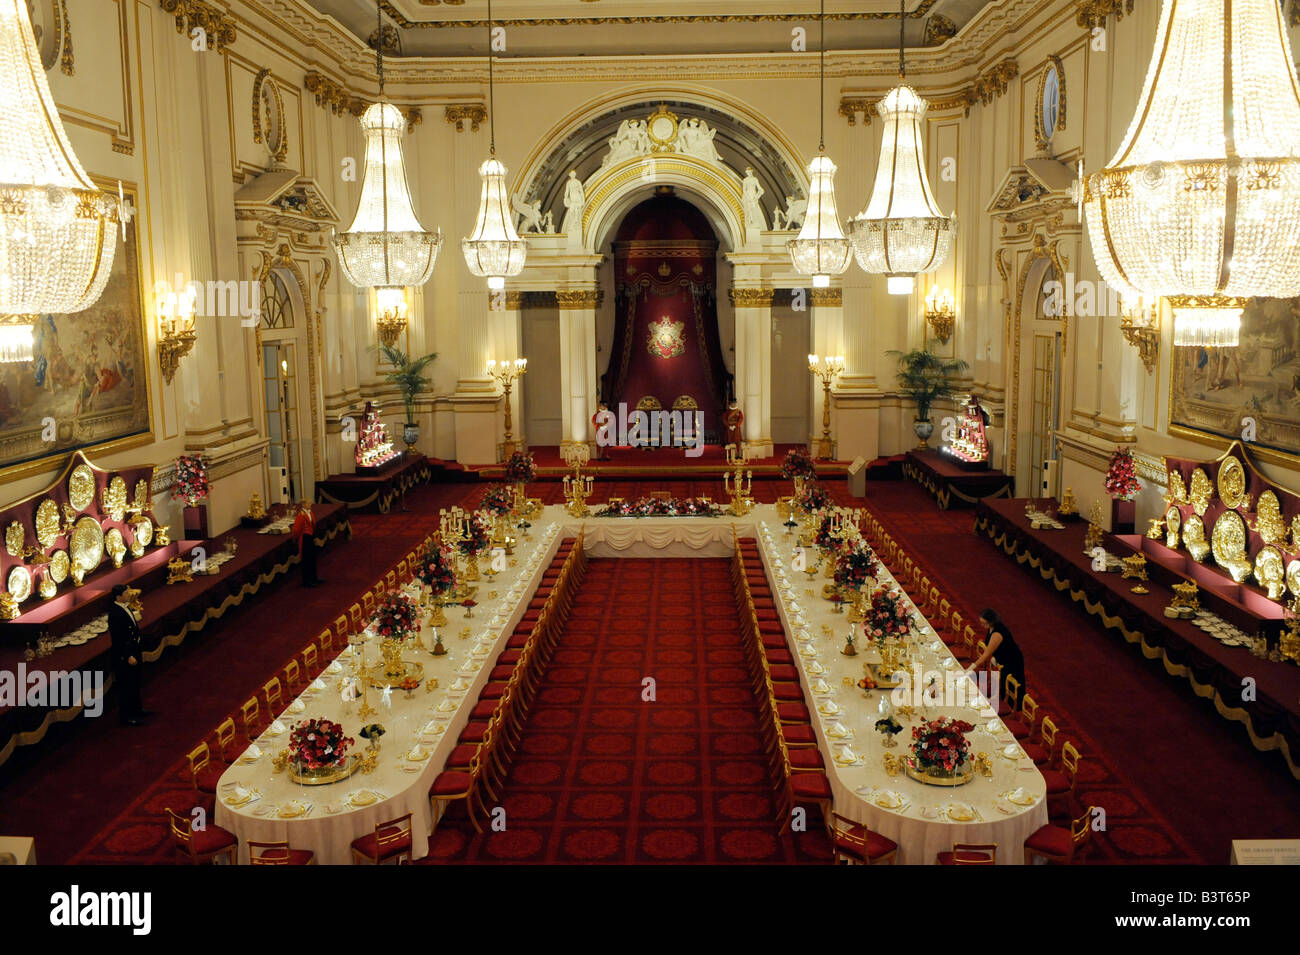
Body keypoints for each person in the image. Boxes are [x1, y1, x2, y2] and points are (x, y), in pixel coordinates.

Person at [108, 584, 151, 726]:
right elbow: (118, 638)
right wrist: (128, 656)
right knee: (126, 686)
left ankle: (137, 709)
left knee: (135, 682)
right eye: (126, 593)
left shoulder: (125, 607)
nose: (129, 595)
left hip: (134, 650)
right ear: (118, 597)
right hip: (125, 656)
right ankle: (127, 717)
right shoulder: (115, 613)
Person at [968, 608, 1025, 708]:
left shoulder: (997, 633)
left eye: (983, 623)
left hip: (1012, 660)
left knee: (1009, 683)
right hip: (1003, 656)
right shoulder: (991, 627)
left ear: (991, 621)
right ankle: (1005, 701)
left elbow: (986, 655)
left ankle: (1012, 707)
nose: (982, 625)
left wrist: (971, 667)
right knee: (1003, 682)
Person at [292, 500, 323, 587]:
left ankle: (314, 577)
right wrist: (295, 538)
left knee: (312, 558)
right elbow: (296, 530)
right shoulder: (300, 516)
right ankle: (307, 581)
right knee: (306, 560)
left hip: (311, 537)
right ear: (303, 504)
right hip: (305, 539)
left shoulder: (311, 513)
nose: (310, 504)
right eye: (308, 503)